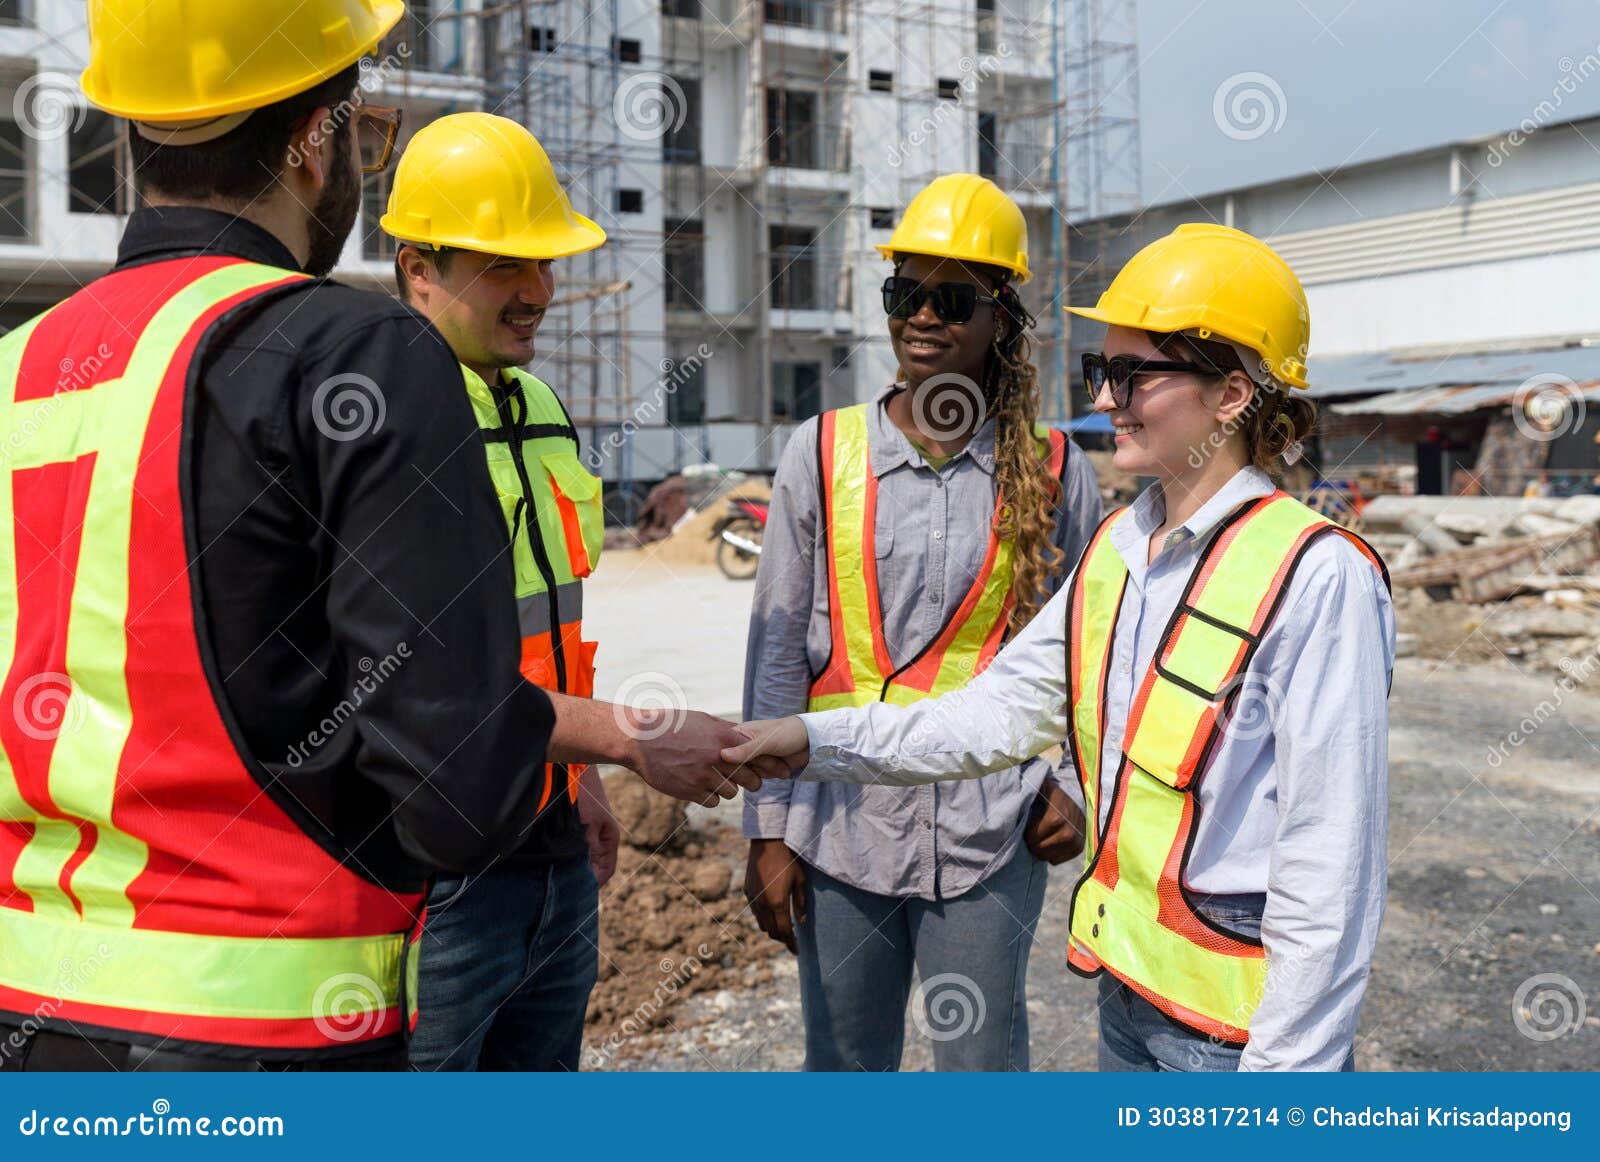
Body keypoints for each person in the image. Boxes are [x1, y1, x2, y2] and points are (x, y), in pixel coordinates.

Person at [0, 0, 754, 1074]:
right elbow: (452, 788)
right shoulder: (348, 352)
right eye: (360, 128)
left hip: (39, 1014)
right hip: (268, 1018)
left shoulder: (22, 366)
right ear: (315, 143)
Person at [728, 223, 1397, 1072]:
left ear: (1232, 394)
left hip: (1241, 1039)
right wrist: (810, 742)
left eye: (1132, 376)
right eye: (1099, 372)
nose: (1107, 399)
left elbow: (1329, 865)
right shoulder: (1123, 550)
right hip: (1130, 1000)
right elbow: (993, 715)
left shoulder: (1320, 577)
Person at [741, 174, 1102, 1071]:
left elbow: (1089, 650)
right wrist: (768, 828)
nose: (923, 317)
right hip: (841, 821)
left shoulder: (1057, 468)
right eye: (906, 294)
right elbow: (777, 652)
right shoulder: (820, 454)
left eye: (952, 299)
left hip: (991, 827)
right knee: (846, 1068)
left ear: (1001, 319)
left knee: (978, 1068)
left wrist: (1072, 784)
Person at [384, 112, 661, 1070]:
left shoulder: (537, 404)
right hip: (440, 868)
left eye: (543, 263)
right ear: (419, 268)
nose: (539, 291)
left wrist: (580, 781)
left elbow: (553, 626)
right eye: (506, 264)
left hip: (551, 840)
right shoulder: (380, 421)